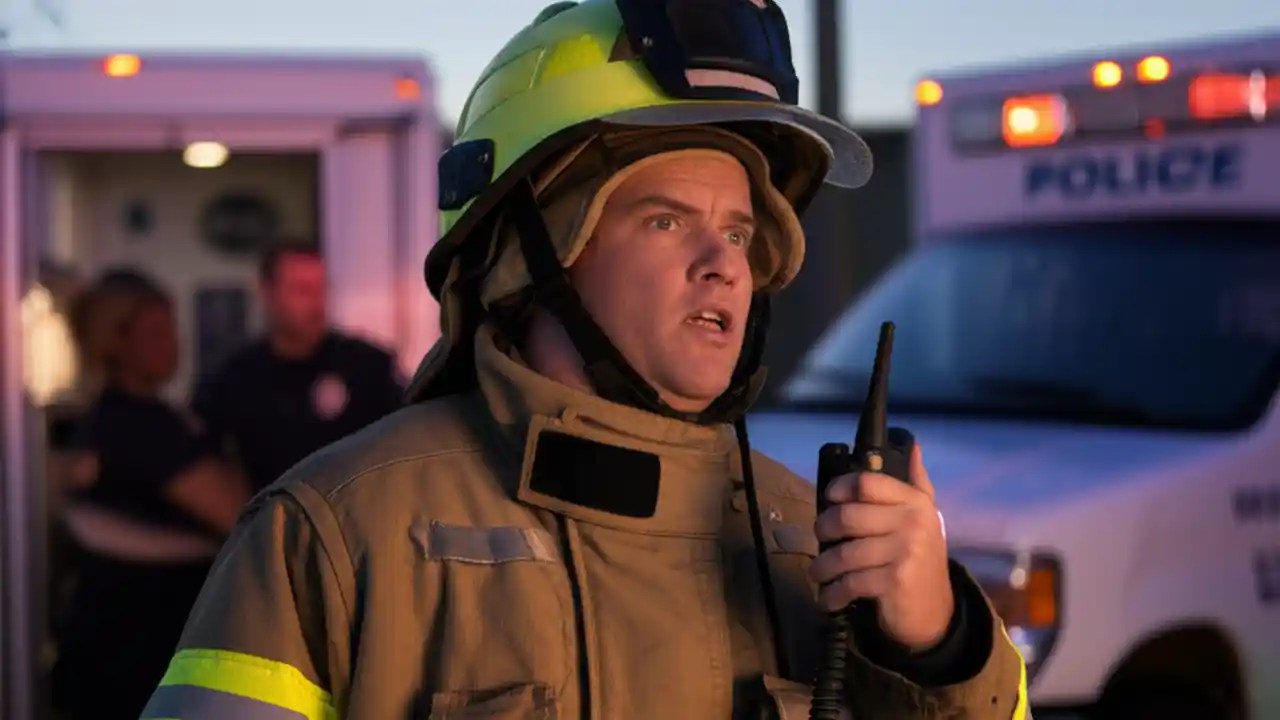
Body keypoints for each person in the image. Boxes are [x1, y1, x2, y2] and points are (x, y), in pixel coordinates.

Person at [142, 2, 1030, 718]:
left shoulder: (814, 543)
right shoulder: (336, 535)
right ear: (533, 251)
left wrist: (937, 645)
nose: (724, 263)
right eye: (667, 220)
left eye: (738, 231)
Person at [51, 269, 249, 719]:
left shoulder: (122, 418)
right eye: (156, 333)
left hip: (121, 646)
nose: (172, 345)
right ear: (116, 343)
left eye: (172, 330)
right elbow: (237, 514)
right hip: (134, 649)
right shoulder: (138, 426)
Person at [192, 241, 406, 493]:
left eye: (321, 289)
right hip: (271, 521)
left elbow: (406, 439)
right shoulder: (234, 380)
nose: (316, 304)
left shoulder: (368, 365)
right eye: (302, 291)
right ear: (268, 294)